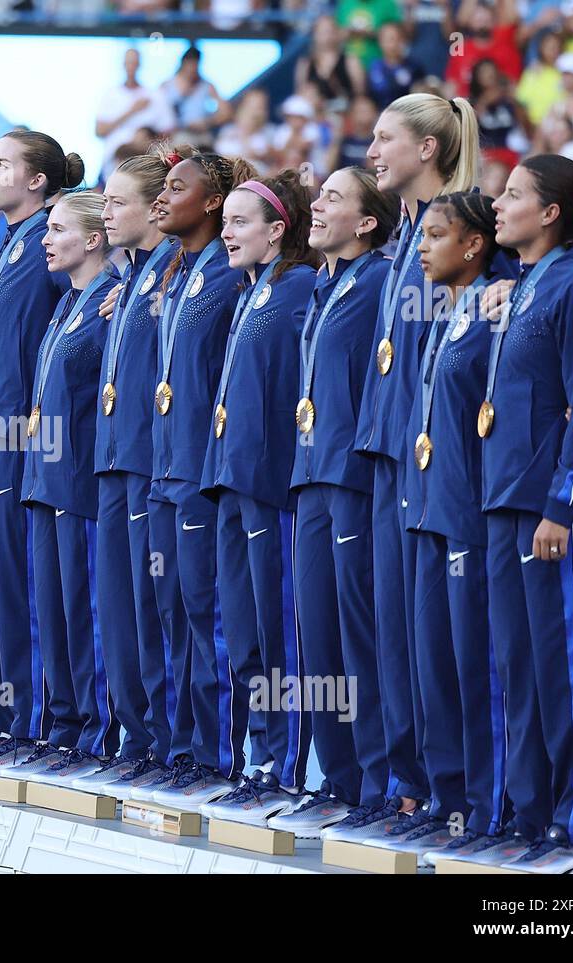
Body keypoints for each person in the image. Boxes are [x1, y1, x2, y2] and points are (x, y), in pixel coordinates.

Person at [334, 92, 482, 843]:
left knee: (432, 638)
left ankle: (453, 796)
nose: (372, 149)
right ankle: (407, 789)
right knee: (393, 633)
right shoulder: (403, 238)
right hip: (385, 454)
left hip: (429, 463)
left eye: (387, 137)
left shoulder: (455, 231)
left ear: (428, 149)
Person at [479, 155, 573, 873]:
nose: (497, 205)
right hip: (509, 506)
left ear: (551, 214)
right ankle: (527, 817)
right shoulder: (525, 285)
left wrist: (559, 504)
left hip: (561, 514)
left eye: (513, 195)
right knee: (519, 669)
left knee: (569, 673)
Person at [366, 191, 517, 864]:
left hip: (467, 513)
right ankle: (446, 799)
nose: (421, 248)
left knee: (470, 667)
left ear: (475, 245)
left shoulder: (495, 308)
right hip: (423, 507)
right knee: (431, 662)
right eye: (420, 235)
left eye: (436, 235)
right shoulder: (447, 310)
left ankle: (486, 808)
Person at [131, 152, 258, 808]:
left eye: (177, 187)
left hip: (201, 474)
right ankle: (178, 746)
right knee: (170, 614)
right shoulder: (177, 271)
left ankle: (219, 754)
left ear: (213, 203)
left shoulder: (228, 275)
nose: (163, 197)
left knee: (208, 616)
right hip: (163, 464)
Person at [275, 166, 397, 838]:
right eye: (317, 196)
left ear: (369, 221)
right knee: (316, 637)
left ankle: (378, 784)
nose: (316, 205)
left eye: (333, 198)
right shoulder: (324, 282)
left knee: (358, 638)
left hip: (350, 478)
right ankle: (339, 778)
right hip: (310, 474)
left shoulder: (380, 280)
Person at [0, 130, 83, 774]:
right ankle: (1, 717)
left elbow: (86, 304)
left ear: (37, 180)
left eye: (2, 162)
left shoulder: (49, 243)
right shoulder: (8, 244)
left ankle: (35, 719)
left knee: (17, 580)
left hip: (18, 435)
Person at [197, 171, 319, 825]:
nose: (227, 232)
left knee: (277, 632)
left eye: (240, 222)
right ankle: (256, 759)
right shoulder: (252, 291)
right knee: (242, 632)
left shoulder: (298, 288)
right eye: (226, 221)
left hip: (270, 485)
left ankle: (285, 764)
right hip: (233, 479)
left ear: (277, 230)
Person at [73, 146, 181, 797]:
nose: (106, 210)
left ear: (155, 209)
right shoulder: (133, 275)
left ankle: (172, 742)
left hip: (151, 461)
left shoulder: (175, 270)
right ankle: (135, 734)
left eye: (118, 202)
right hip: (113, 458)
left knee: (152, 606)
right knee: (115, 605)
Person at [6, 191, 120, 784]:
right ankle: (63, 725)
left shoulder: (111, 303)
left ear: (95, 238)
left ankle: (97, 732)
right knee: (50, 608)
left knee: (83, 610)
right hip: (44, 476)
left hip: (80, 480)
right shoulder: (68, 302)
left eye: (57, 230)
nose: (44, 241)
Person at [95, 48, 174, 180]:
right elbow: (100, 131)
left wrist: (146, 138)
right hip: (112, 162)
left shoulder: (154, 95)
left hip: (144, 161)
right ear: (123, 64)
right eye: (128, 62)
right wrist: (131, 111)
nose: (131, 66)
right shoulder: (111, 94)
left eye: (134, 62)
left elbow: (169, 130)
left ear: (139, 65)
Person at [159, 46, 232, 147]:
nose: (192, 69)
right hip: (175, 137)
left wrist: (207, 123)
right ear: (183, 63)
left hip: (201, 137)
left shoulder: (206, 86)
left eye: (195, 65)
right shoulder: (166, 86)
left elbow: (226, 112)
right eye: (190, 64)